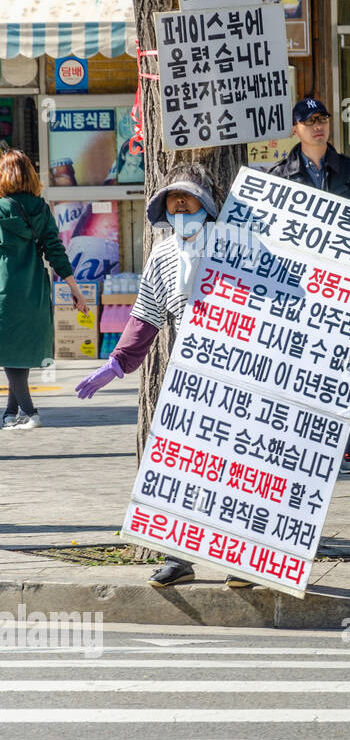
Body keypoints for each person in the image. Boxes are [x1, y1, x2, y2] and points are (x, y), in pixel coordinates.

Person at [73, 163, 254, 589]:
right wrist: (115, 364)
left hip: (237, 374)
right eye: (172, 198)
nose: (178, 204)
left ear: (206, 204)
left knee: (232, 468)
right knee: (181, 470)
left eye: (186, 197)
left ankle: (240, 559)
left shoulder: (237, 245)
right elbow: (146, 317)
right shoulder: (162, 255)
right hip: (185, 378)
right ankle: (178, 557)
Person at [268, 96, 350, 475]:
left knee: (342, 368)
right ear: (295, 129)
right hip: (299, 289)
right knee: (301, 368)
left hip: (343, 286)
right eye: (308, 121)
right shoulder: (278, 176)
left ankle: (342, 451)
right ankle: (304, 450)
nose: (317, 125)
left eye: (322, 118)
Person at [0, 149, 88, 430]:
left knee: (9, 351)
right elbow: (55, 250)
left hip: (5, 288)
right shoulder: (41, 208)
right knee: (18, 350)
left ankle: (30, 412)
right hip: (35, 289)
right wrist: (75, 288)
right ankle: (11, 413)